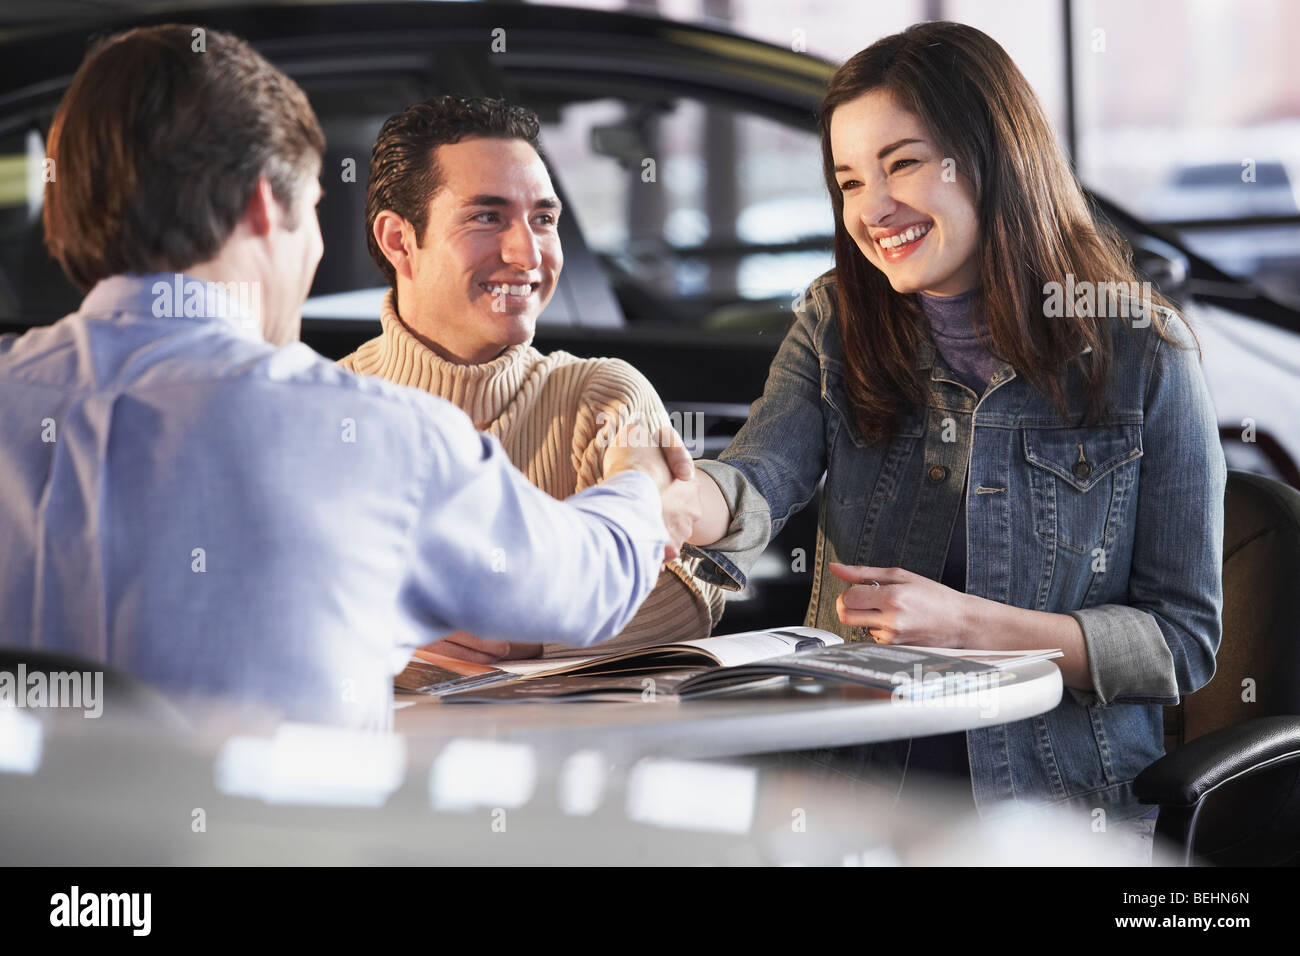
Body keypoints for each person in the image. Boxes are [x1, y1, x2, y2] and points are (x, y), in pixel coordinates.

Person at [0, 24, 699, 729]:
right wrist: (641, 484)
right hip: (277, 839)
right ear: (264, 207)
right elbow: (589, 581)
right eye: (312, 212)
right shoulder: (375, 435)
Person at [684, 20, 1225, 852]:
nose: (873, 209)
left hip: (1051, 810)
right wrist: (684, 498)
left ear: (993, 157)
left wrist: (972, 628)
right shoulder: (836, 319)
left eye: (902, 164)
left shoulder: (1142, 352)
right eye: (849, 180)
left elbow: (1179, 644)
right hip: (858, 799)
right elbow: (759, 474)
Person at [340, 95, 725, 663]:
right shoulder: (330, 409)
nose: (527, 253)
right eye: (486, 216)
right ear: (398, 240)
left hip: (563, 747)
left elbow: (687, 594)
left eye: (543, 219)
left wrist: (518, 640)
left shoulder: (602, 397)